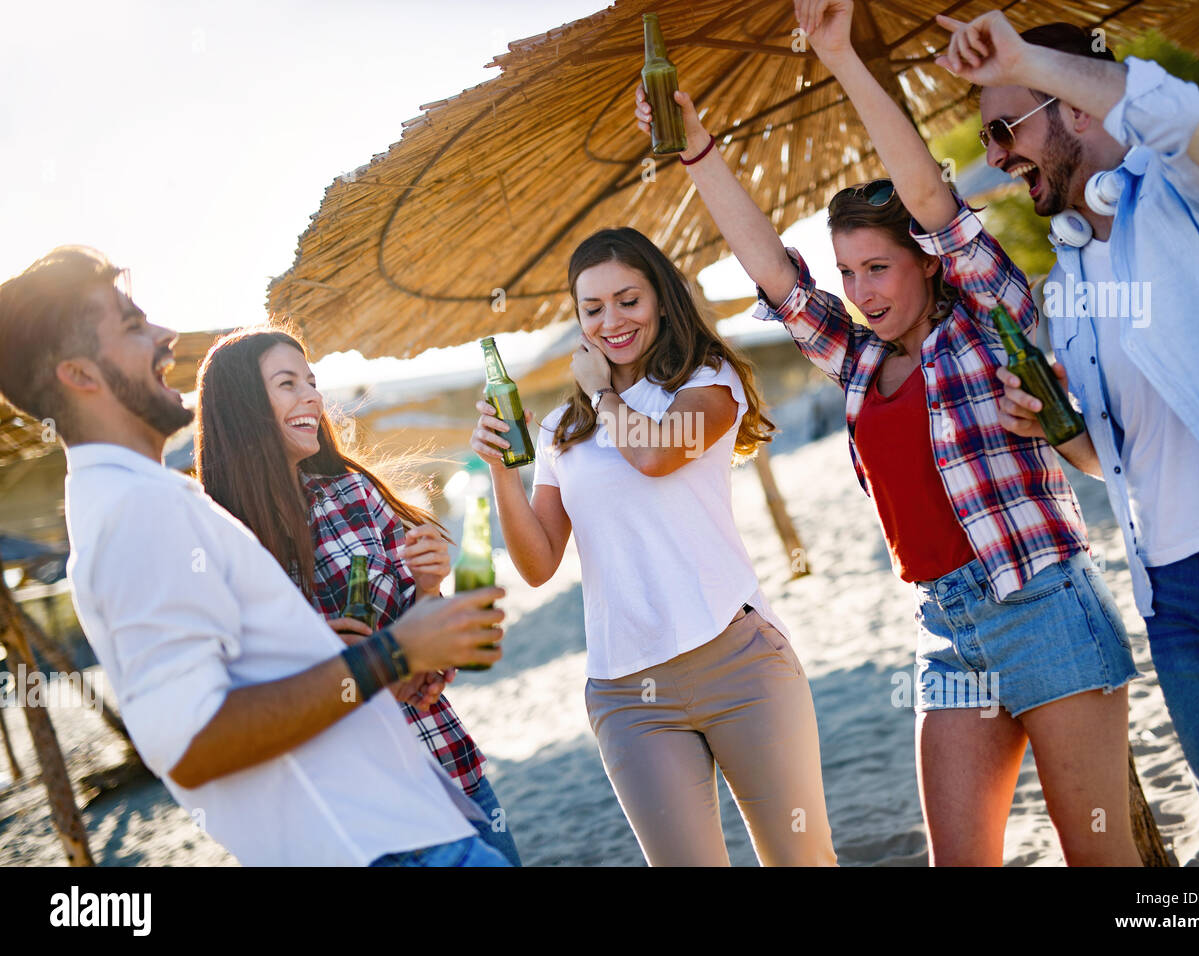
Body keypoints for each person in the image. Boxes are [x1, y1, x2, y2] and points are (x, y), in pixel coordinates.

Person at [636, 0, 1142, 865]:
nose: (862, 291)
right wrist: (696, 150)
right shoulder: (862, 361)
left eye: (878, 267)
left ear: (927, 260)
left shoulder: (990, 316)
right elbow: (773, 275)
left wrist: (836, 54)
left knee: (1098, 857)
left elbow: (932, 202)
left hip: (1042, 602)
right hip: (946, 625)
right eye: (848, 273)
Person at [0, 247, 510, 866]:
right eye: (134, 326)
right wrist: (395, 651)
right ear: (80, 375)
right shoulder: (136, 512)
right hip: (383, 850)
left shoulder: (150, 498)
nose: (166, 336)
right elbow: (195, 741)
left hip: (409, 829)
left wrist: (384, 646)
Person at [938, 12, 1199, 866]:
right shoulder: (1068, 285)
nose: (997, 154)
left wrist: (1026, 56)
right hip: (1175, 601)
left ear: (1074, 105)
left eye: (1006, 127)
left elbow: (1188, 117)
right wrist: (1055, 433)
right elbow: (1112, 461)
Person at [470, 226, 836, 866]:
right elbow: (536, 563)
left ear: (661, 301)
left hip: (740, 664)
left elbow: (655, 454)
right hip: (626, 691)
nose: (611, 321)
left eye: (628, 300)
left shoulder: (708, 385)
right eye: (593, 308)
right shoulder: (562, 430)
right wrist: (502, 468)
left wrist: (603, 392)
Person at [193, 327, 522, 866]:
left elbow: (434, 661)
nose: (312, 397)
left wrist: (431, 584)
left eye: (312, 382)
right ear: (241, 408)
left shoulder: (353, 494)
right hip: (347, 820)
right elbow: (227, 701)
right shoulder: (219, 545)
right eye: (287, 383)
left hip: (441, 766)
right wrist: (319, 660)